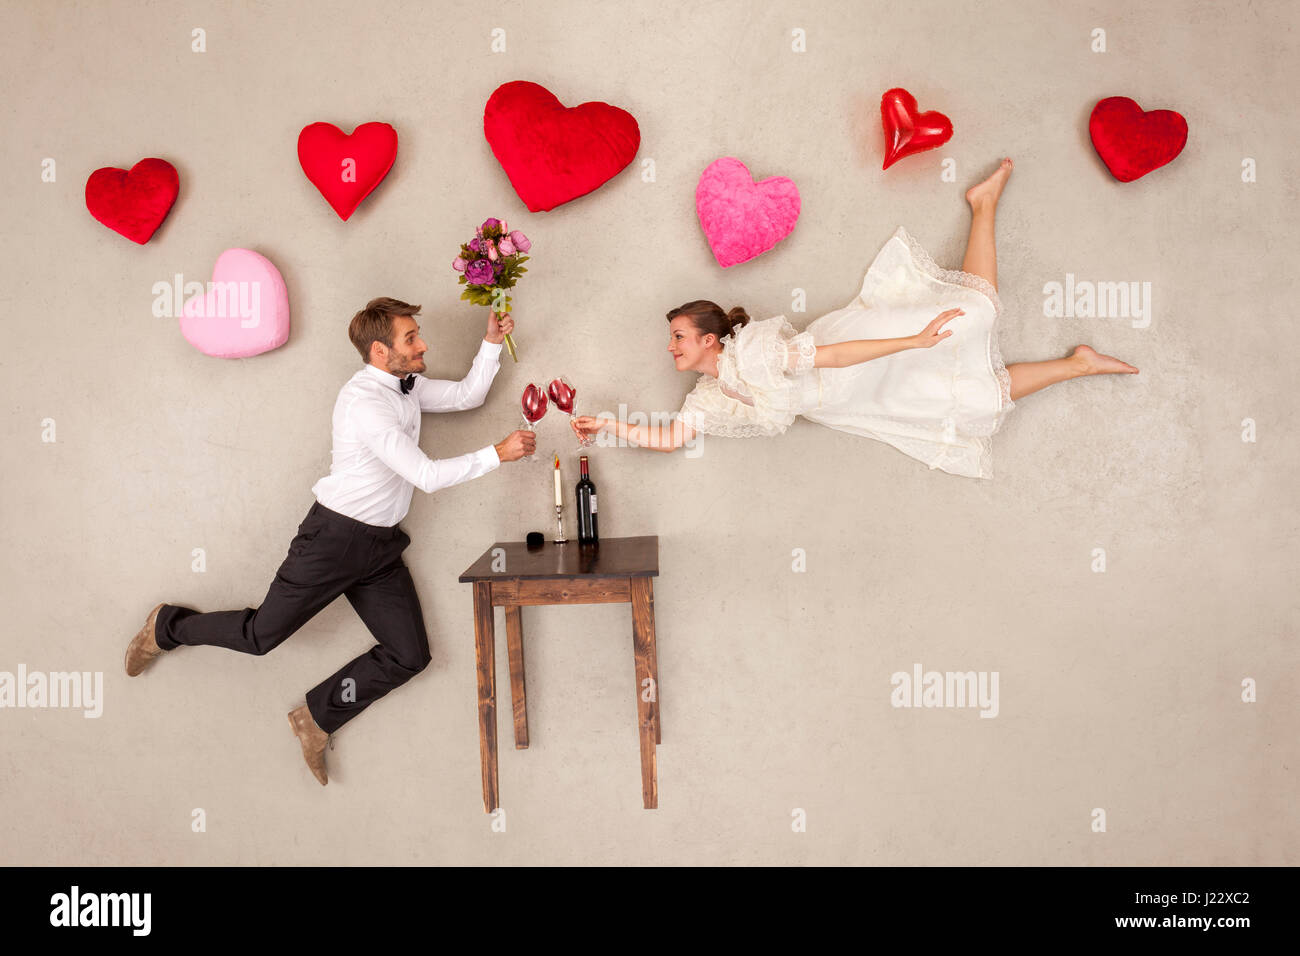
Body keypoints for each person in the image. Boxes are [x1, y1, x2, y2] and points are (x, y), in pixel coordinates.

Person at [123, 298, 536, 785]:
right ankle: (166, 627)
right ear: (380, 350)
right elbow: (424, 474)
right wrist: (497, 454)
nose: (423, 344)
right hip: (333, 539)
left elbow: (467, 396)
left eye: (417, 333)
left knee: (409, 654)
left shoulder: (406, 385)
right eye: (411, 338)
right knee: (260, 638)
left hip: (379, 547)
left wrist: (491, 343)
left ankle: (316, 719)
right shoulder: (366, 403)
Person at [571, 158, 1139, 478]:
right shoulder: (707, 398)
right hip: (845, 402)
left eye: (677, 337)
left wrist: (911, 341)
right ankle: (1075, 366)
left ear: (711, 340)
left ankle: (983, 205)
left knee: (969, 314)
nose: (670, 347)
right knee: (970, 402)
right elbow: (670, 439)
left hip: (855, 355)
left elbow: (837, 355)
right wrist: (607, 425)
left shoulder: (760, 353)